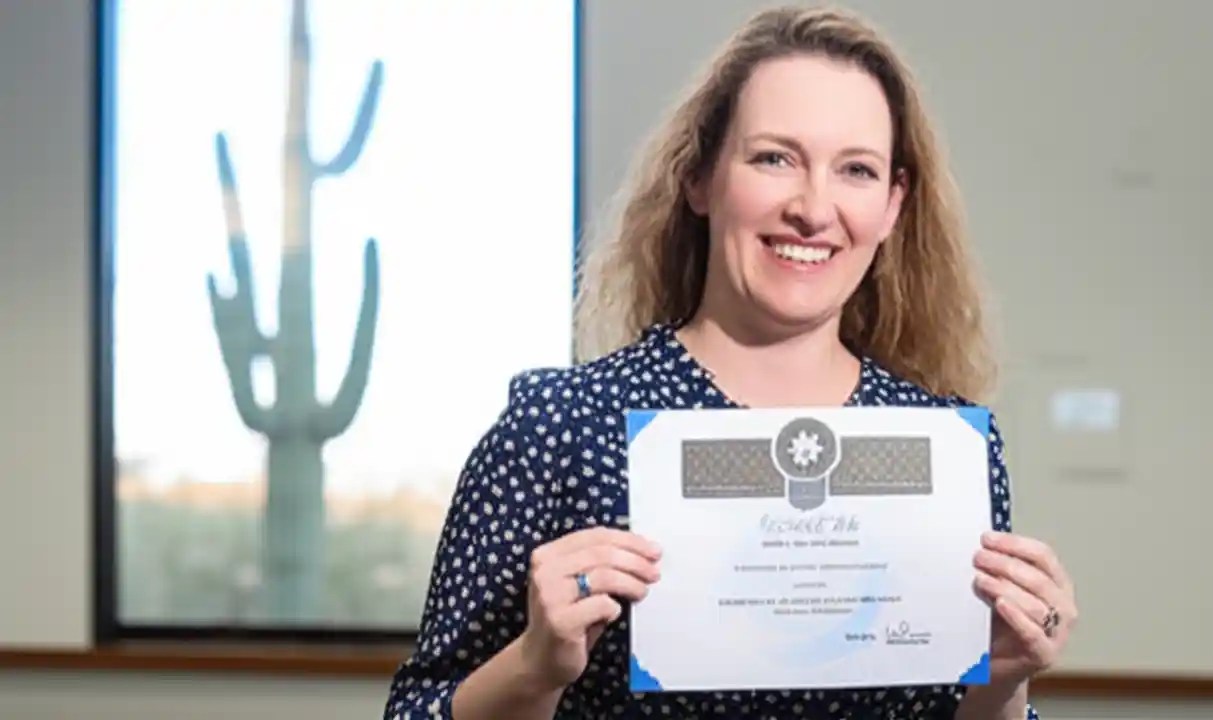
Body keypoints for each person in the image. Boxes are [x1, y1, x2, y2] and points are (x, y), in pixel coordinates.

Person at [384, 5, 1078, 719]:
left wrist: (1003, 679)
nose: (814, 208)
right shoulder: (558, 430)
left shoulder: (949, 457)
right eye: (775, 158)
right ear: (700, 178)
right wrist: (534, 668)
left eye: (857, 170)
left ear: (893, 206)